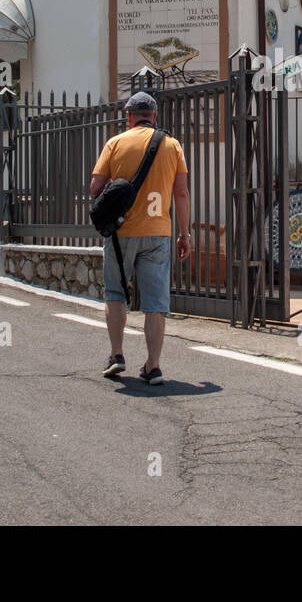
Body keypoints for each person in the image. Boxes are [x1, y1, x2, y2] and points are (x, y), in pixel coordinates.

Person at [89, 91, 190, 384]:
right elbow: (181, 193)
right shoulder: (172, 145)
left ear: (129, 116)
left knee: (116, 293)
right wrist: (185, 234)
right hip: (159, 233)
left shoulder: (115, 143)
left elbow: (96, 187)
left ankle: (117, 354)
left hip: (121, 233)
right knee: (156, 302)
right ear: (154, 116)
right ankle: (153, 366)